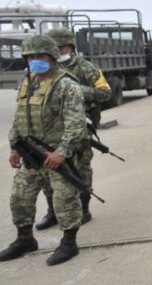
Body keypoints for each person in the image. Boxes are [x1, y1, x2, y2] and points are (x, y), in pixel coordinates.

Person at [0, 35, 88, 266]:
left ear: (52, 57)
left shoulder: (66, 85)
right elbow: (19, 117)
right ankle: (25, 240)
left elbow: (76, 123)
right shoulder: (28, 82)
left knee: (64, 201)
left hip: (57, 156)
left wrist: (61, 152)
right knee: (20, 198)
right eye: (29, 57)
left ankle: (69, 243)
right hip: (30, 154)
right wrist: (14, 147)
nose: (34, 61)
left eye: (39, 56)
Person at [31, 27, 112, 229]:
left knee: (81, 170)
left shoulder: (85, 68)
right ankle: (54, 212)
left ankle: (83, 208)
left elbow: (105, 93)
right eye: (54, 47)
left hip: (80, 130)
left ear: (71, 47)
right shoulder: (44, 70)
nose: (58, 50)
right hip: (49, 131)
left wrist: (74, 91)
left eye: (62, 46)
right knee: (49, 172)